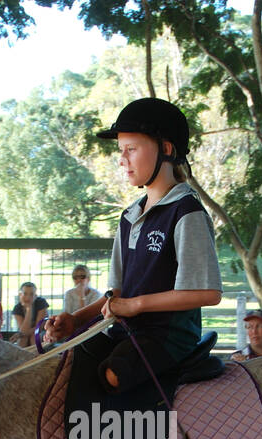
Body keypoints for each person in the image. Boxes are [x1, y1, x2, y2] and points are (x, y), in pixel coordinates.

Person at [45, 98, 221, 393]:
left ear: (166, 149)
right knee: (73, 360)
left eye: (131, 149)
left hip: (169, 336)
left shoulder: (185, 211)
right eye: (120, 151)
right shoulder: (129, 217)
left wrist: (136, 305)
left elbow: (208, 292)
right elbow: (118, 294)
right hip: (130, 331)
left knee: (116, 374)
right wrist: (76, 320)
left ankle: (162, 438)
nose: (122, 159)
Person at [11, 282, 48, 348]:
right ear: (20, 295)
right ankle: (21, 358)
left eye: (31, 294)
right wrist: (29, 310)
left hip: (43, 332)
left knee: (34, 337)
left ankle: (38, 358)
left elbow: (39, 328)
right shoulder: (17, 308)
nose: (28, 297)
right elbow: (23, 330)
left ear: (35, 296)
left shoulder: (41, 302)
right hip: (25, 334)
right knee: (22, 340)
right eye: (25, 294)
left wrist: (20, 334)